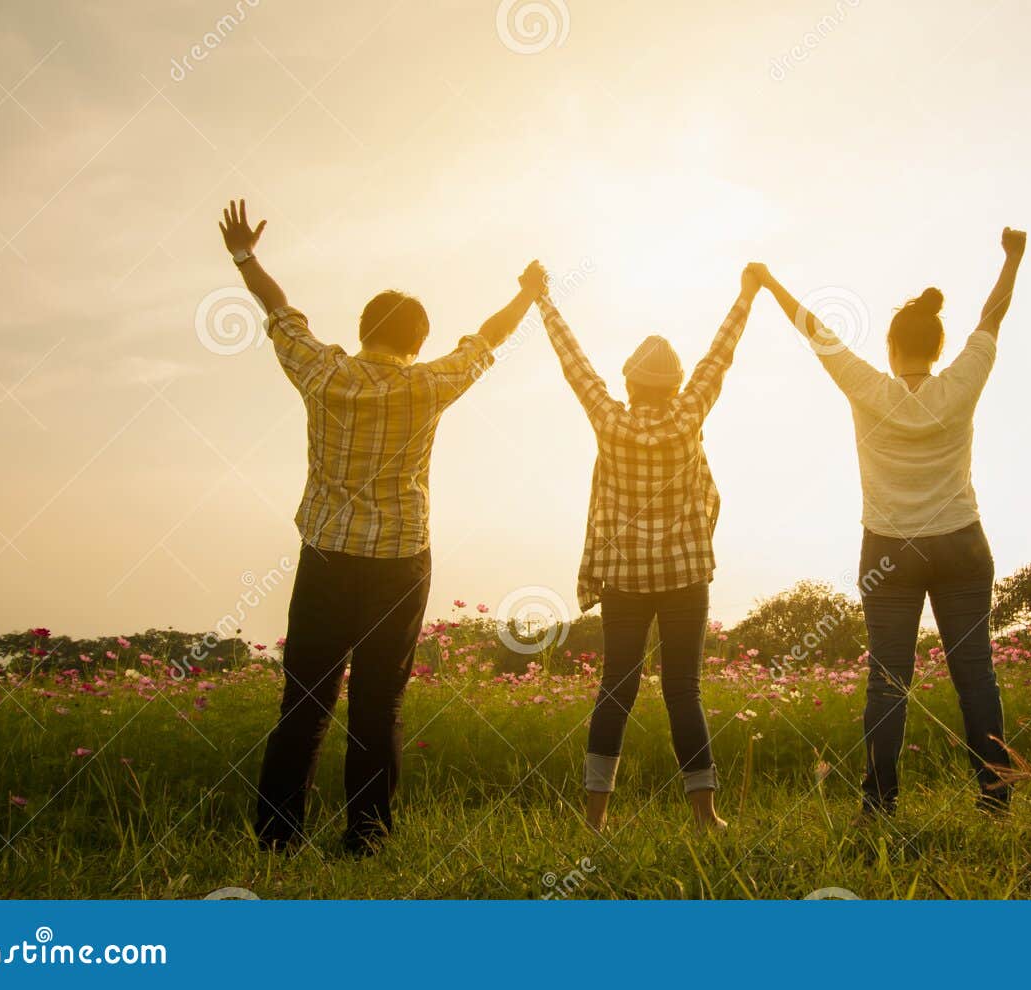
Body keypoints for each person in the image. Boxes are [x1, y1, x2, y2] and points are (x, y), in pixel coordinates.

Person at [217, 199, 547, 854]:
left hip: (327, 558)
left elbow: (279, 310)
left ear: (364, 328)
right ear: (418, 341)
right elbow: (485, 340)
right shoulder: (428, 384)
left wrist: (244, 254)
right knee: (376, 705)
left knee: (304, 704)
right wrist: (528, 296)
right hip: (399, 562)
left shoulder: (322, 373)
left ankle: (278, 838)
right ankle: (365, 837)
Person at [748, 226, 1027, 818]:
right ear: (937, 345)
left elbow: (817, 334)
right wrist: (1013, 258)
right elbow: (993, 317)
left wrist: (769, 281)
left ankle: (879, 802)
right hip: (961, 543)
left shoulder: (869, 387)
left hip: (889, 553)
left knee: (887, 680)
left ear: (892, 349)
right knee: (975, 674)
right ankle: (996, 797)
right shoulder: (962, 382)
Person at [536, 264, 761, 832]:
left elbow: (575, 365)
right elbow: (721, 355)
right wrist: (746, 293)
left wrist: (544, 302)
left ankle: (594, 818)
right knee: (684, 690)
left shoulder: (610, 421)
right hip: (685, 574)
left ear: (630, 383)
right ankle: (706, 815)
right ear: (677, 383)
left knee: (616, 690)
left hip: (624, 579)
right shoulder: (689, 416)